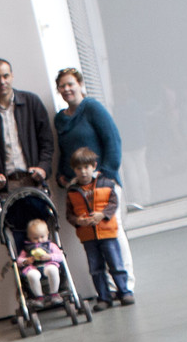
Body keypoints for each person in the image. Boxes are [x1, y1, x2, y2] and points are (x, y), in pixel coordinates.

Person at [51, 68, 135, 293]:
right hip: (79, 187)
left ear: (80, 84)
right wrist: (62, 175)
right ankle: (106, 290)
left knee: (113, 233)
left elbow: (112, 139)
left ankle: (126, 286)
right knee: (93, 240)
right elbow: (64, 150)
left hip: (103, 184)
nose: (67, 89)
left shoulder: (93, 108)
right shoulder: (60, 119)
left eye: (71, 84)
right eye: (62, 86)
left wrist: (106, 174)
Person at [0, 58, 55, 192]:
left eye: (5, 76)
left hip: (35, 181)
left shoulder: (32, 102)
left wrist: (43, 167)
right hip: (6, 186)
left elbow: (46, 140)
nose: (2, 81)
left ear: (12, 76)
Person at [66, 147, 132, 304]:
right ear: (74, 170)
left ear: (94, 166)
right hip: (88, 236)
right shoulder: (72, 191)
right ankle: (103, 297)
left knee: (116, 263)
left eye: (86, 167)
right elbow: (69, 214)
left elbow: (113, 203)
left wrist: (102, 215)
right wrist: (78, 221)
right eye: (79, 168)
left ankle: (124, 291)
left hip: (108, 232)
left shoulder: (106, 184)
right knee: (96, 268)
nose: (83, 172)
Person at [14, 218, 67, 301]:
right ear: (29, 237)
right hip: (33, 267)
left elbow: (60, 256)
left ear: (47, 234)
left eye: (42, 237)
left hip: (48, 265)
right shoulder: (27, 248)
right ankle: (39, 296)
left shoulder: (50, 245)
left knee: (53, 270)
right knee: (32, 275)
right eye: (35, 238)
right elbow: (18, 261)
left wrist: (50, 256)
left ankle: (54, 293)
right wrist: (26, 261)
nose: (39, 240)